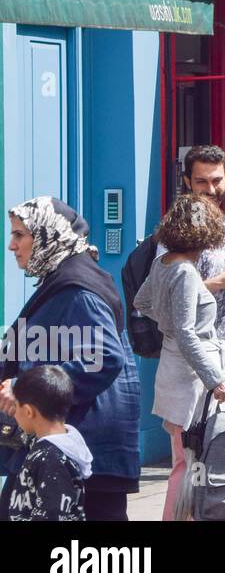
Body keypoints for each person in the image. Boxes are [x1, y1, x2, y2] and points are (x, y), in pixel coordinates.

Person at [3, 198, 141, 523]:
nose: (12, 245)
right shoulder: (63, 282)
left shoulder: (78, 290)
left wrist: (25, 388)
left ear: (47, 235)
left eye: (20, 235)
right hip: (69, 443)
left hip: (82, 442)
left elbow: (105, 358)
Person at [133, 194, 225, 521]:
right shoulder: (186, 273)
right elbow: (188, 332)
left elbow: (141, 302)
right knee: (188, 463)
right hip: (190, 379)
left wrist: (166, 324)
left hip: (172, 369)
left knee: (186, 460)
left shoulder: (163, 264)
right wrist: (215, 378)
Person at [164, 146, 225, 421]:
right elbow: (166, 293)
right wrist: (220, 281)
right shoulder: (178, 231)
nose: (211, 189)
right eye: (201, 181)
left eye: (217, 181)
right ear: (188, 182)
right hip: (200, 354)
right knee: (201, 451)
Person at [5, 366, 92, 522]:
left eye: (15, 406)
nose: (13, 412)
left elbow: (52, 513)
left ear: (28, 411)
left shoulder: (51, 459)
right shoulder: (56, 445)